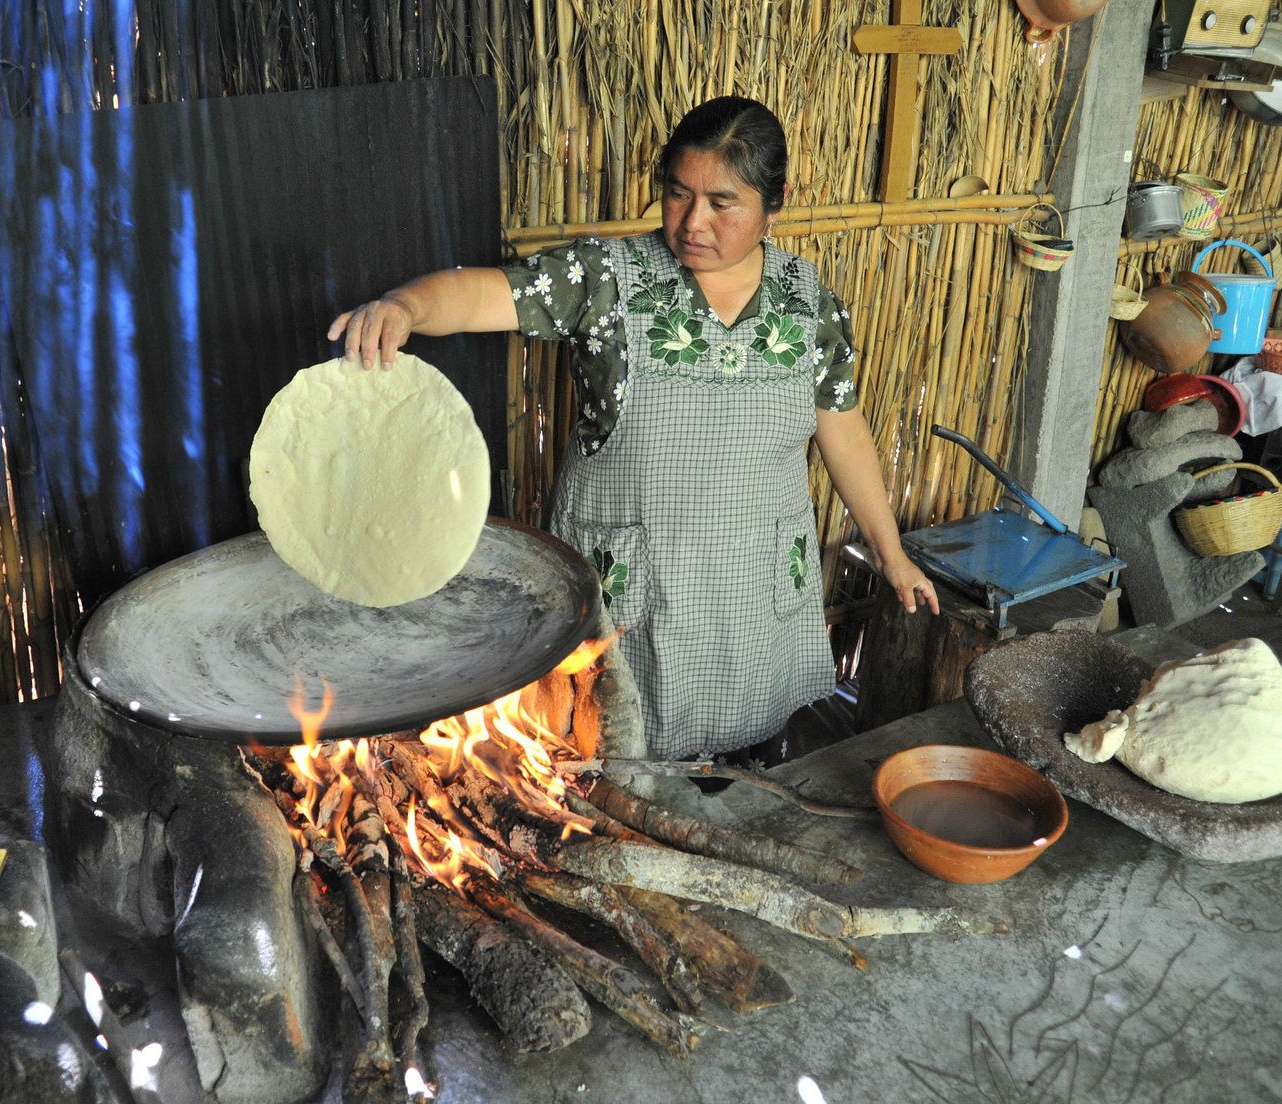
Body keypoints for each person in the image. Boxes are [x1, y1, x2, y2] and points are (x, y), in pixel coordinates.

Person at [328, 96, 938, 760]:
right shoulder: (606, 281)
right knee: (616, 755)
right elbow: (483, 294)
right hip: (637, 594)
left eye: (722, 203)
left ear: (775, 204)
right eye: (678, 194)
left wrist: (892, 554)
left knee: (754, 773)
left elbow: (842, 428)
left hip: (752, 598)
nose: (693, 222)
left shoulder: (809, 301)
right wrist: (406, 307)